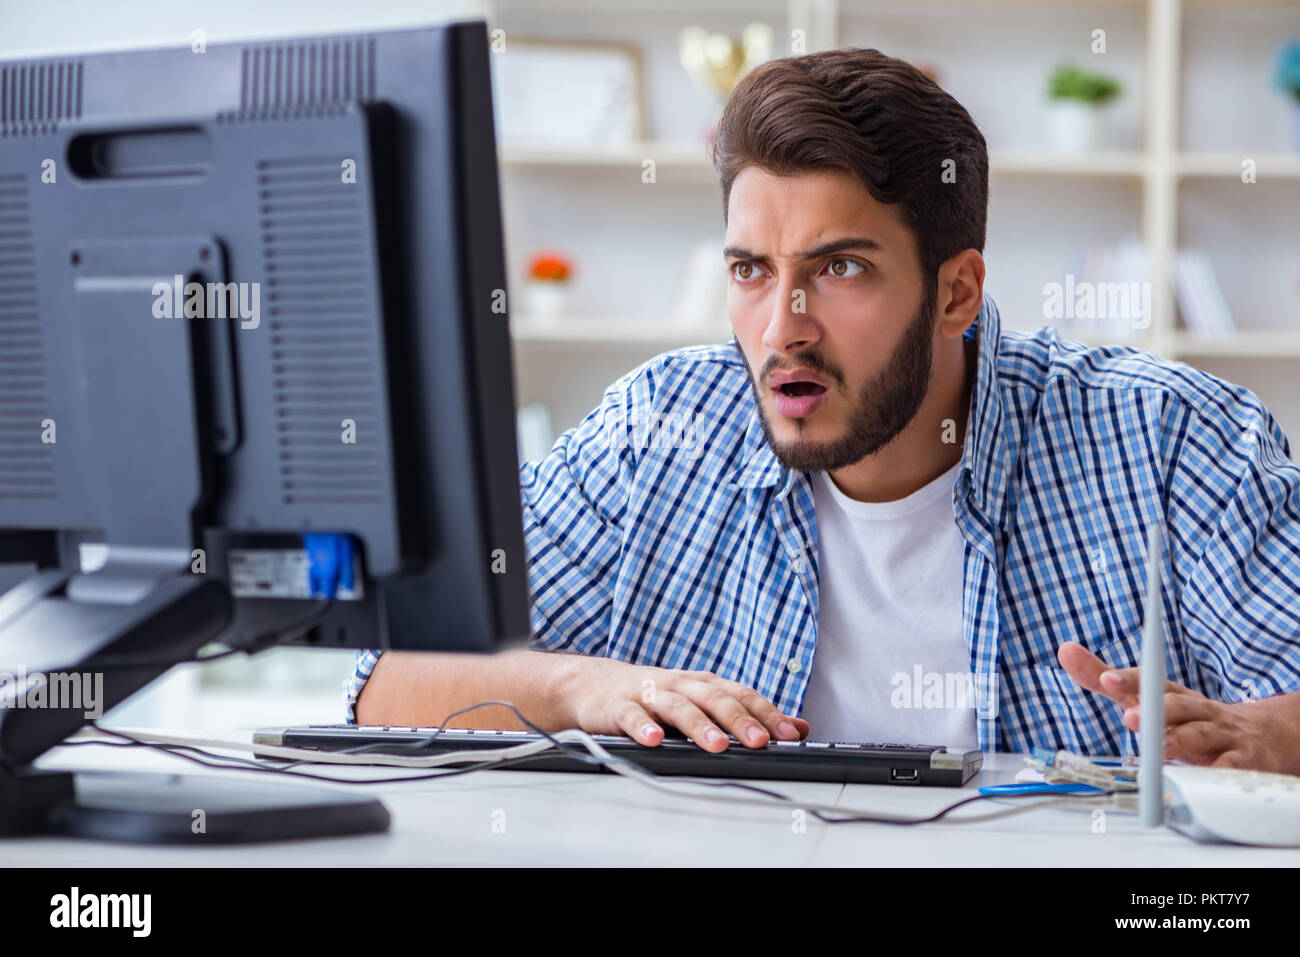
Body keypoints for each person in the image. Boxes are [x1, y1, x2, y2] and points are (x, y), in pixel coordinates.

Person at [349, 48, 1300, 772]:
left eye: (839, 268)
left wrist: (1258, 737)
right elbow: (385, 682)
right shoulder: (658, 431)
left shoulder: (1169, 438)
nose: (782, 329)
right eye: (751, 271)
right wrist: (575, 684)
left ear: (956, 293)